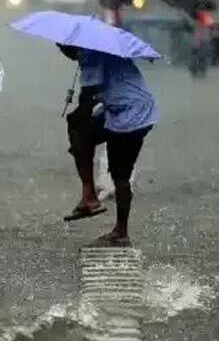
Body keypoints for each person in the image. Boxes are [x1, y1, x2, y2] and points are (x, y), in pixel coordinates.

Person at [58, 44, 158, 246]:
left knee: (119, 173)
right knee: (79, 128)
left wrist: (79, 145)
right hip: (129, 108)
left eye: (62, 48)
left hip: (131, 115)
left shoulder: (90, 55)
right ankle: (89, 195)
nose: (63, 52)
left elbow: (87, 100)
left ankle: (121, 231)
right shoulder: (99, 49)